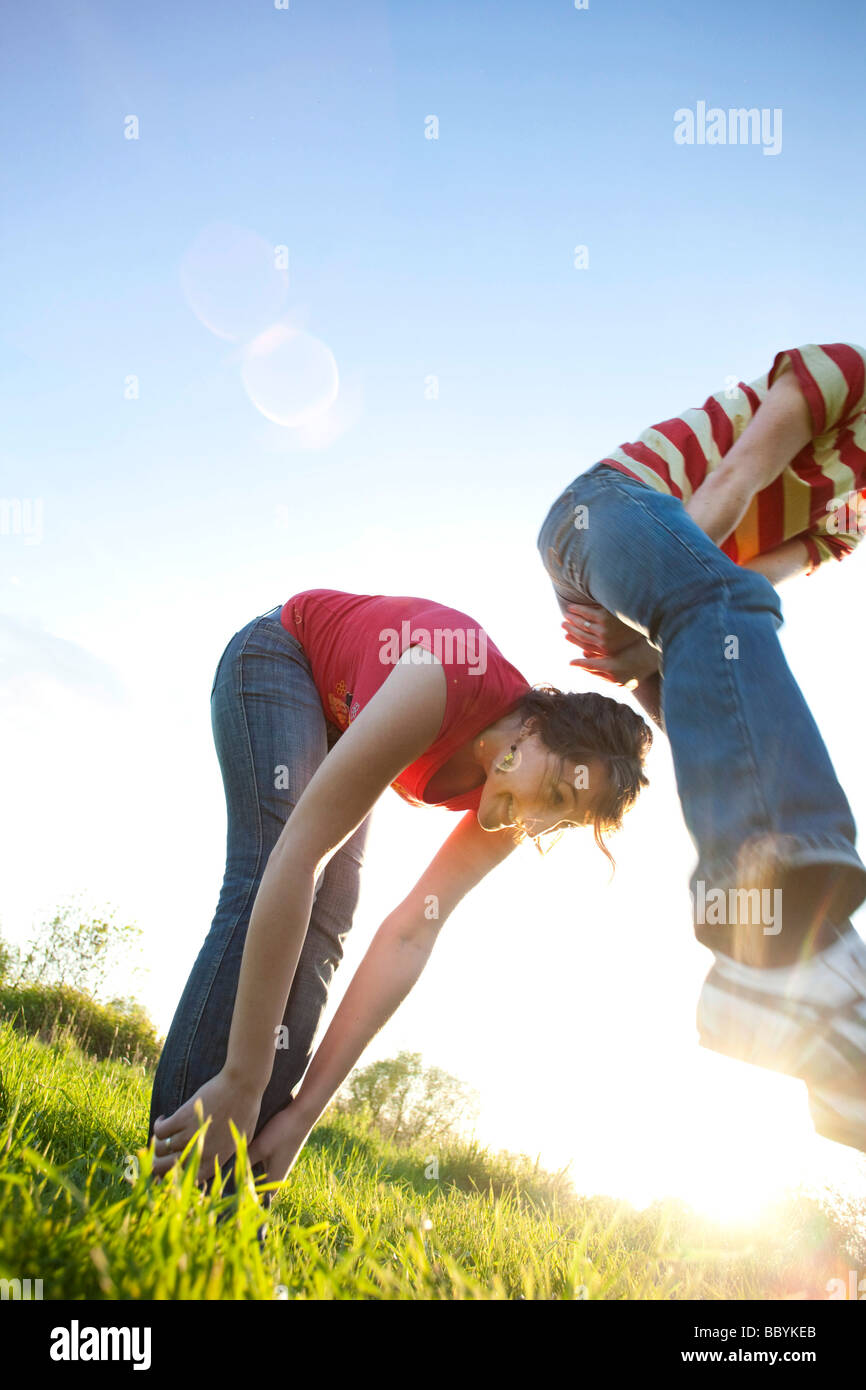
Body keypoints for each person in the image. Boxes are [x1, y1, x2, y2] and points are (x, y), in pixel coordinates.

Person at [147, 589, 652, 1195]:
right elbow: (298, 856)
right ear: (537, 731)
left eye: (563, 821)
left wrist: (304, 1114)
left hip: (345, 724)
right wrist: (243, 1079)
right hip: (284, 657)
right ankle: (176, 1173)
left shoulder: (513, 793)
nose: (540, 824)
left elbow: (412, 933)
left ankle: (230, 1197)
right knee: (274, 860)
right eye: (560, 799)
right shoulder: (446, 674)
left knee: (329, 917)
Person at [536, 340, 866, 1153]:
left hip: (675, 600)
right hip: (609, 510)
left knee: (711, 711)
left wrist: (651, 649)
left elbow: (775, 572)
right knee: (720, 600)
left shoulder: (856, 510)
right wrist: (656, 625)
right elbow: (727, 486)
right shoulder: (846, 373)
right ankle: (777, 969)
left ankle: (820, 990)